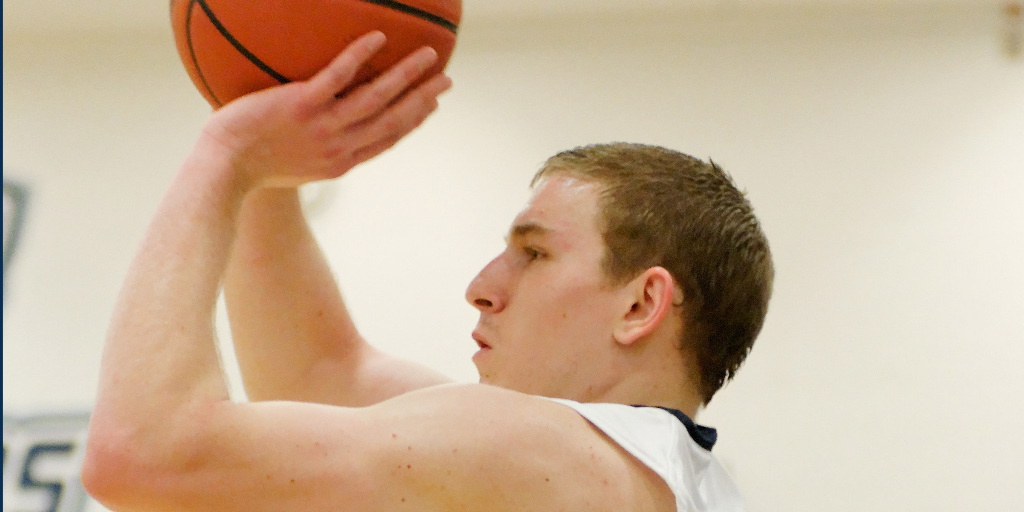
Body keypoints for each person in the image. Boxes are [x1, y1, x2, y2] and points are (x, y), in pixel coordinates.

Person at [82, 31, 773, 512]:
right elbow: (319, 376)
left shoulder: (542, 453)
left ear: (641, 304)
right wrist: (267, 165)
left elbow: (140, 451)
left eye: (534, 254)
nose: (482, 286)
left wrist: (225, 155)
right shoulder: (657, 473)